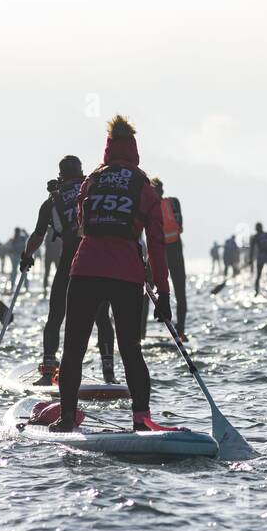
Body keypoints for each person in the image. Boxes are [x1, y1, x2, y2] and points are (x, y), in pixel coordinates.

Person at [49, 115, 176, 434]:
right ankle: (141, 419)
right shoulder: (144, 186)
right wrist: (164, 294)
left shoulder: (92, 179)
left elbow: (81, 222)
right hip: (126, 275)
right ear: (134, 149)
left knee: (74, 348)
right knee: (131, 348)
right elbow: (157, 244)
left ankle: (66, 417)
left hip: (85, 269)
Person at [20, 156, 118, 385]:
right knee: (102, 317)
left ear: (60, 174)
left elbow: (37, 237)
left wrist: (26, 257)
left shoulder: (52, 200)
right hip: (96, 261)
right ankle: (109, 373)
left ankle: (47, 372)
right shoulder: (93, 187)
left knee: (56, 316)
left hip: (70, 264)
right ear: (81, 171)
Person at [149, 178, 189, 340]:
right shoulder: (173, 202)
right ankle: (180, 331)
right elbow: (180, 226)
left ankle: (139, 332)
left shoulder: (148, 206)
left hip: (158, 251)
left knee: (147, 291)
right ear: (162, 191)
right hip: (176, 250)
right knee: (180, 292)